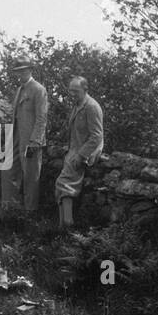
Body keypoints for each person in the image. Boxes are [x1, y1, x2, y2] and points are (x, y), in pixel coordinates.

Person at [54, 76, 104, 229]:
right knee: (60, 184)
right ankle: (63, 225)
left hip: (87, 152)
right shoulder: (77, 105)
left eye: (76, 91)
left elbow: (97, 135)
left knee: (64, 182)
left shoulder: (91, 106)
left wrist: (81, 155)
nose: (72, 94)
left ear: (85, 90)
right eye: (70, 91)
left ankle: (67, 225)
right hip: (75, 149)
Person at [0, 53, 47, 211]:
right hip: (16, 138)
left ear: (30, 70)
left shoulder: (38, 90)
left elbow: (42, 118)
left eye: (23, 70)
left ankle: (30, 214)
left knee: (31, 177)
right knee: (10, 171)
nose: (20, 74)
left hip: (31, 141)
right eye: (17, 71)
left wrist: (35, 141)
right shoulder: (20, 89)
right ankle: (13, 210)